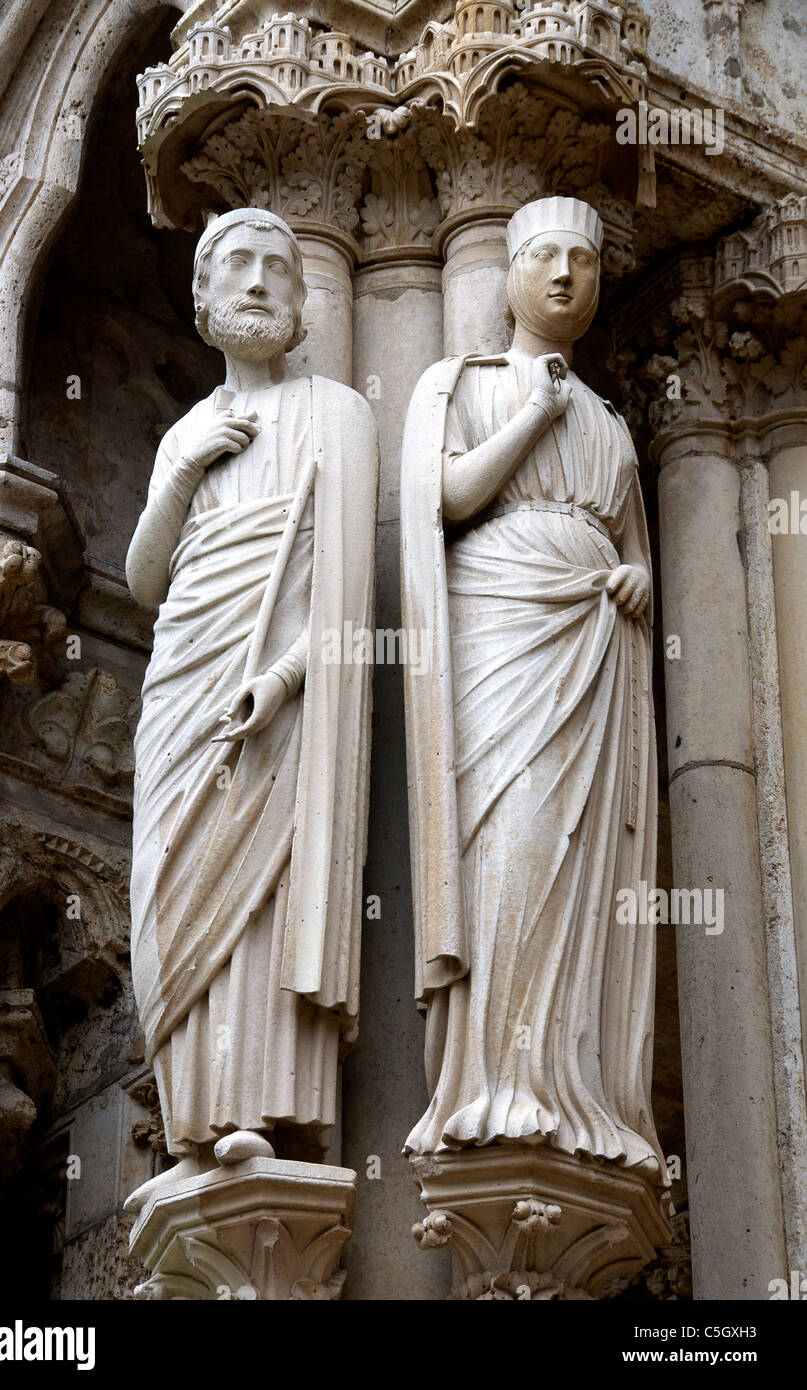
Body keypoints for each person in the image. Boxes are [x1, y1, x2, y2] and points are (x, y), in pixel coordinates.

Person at [401, 196, 665, 1178]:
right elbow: (450, 497)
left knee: (578, 865)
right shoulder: (459, 383)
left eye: (584, 263)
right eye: (543, 257)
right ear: (507, 271)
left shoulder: (611, 424)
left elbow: (631, 541)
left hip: (589, 655)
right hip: (500, 639)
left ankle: (569, 1085)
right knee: (507, 843)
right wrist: (536, 413)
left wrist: (635, 573)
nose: (564, 275)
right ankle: (488, 1077)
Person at [124, 208, 378, 1209]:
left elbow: (352, 593)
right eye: (239, 263)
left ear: (306, 299)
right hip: (183, 690)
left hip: (276, 705)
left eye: (281, 266)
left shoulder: (337, 414)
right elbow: (145, 582)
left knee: (259, 896)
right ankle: (188, 1119)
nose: (262, 281)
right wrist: (182, 473)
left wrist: (278, 683)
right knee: (170, 886)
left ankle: (256, 1112)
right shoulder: (185, 431)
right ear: (201, 296)